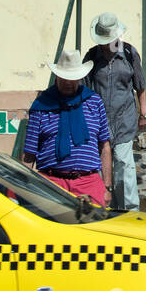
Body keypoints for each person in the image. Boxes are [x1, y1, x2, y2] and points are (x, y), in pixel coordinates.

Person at [23, 49, 112, 207]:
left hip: (89, 183)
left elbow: (104, 146)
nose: (69, 83)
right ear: (57, 75)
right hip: (52, 183)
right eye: (64, 78)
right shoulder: (41, 106)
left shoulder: (94, 101)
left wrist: (107, 186)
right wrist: (23, 186)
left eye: (73, 79)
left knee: (93, 228)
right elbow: (29, 153)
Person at [83, 12, 146, 211]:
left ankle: (129, 209)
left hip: (124, 117)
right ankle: (104, 206)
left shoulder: (129, 53)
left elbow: (140, 86)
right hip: (98, 119)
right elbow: (84, 88)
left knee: (123, 162)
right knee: (100, 164)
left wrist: (143, 114)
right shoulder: (92, 56)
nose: (106, 43)